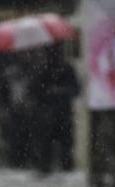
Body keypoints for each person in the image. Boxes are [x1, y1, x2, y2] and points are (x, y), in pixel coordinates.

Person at [29, 45, 80, 173]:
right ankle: (46, 166)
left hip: (63, 112)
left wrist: (61, 91)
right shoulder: (42, 70)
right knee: (46, 143)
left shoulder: (67, 69)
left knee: (65, 143)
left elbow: (75, 89)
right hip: (47, 112)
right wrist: (48, 92)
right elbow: (35, 90)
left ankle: (65, 167)